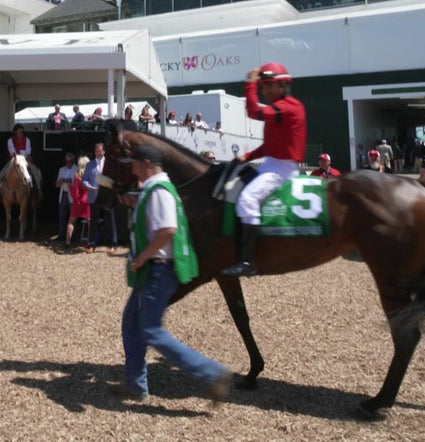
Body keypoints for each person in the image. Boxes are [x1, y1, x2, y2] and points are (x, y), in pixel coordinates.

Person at [116, 144, 231, 406]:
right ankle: (135, 385)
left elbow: (167, 229)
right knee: (131, 322)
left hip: (158, 269)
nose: (131, 168)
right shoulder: (153, 189)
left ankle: (213, 374)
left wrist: (142, 257)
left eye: (134, 163)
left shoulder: (159, 192)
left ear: (147, 163)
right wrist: (134, 201)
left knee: (151, 330)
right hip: (154, 269)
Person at [222, 63, 306, 278]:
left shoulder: (289, 107)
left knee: (247, 199)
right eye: (263, 87)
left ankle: (249, 260)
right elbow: (270, 146)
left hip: (282, 169)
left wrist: (250, 84)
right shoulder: (280, 108)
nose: (266, 91)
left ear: (283, 84)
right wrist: (247, 157)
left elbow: (253, 111)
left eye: (269, 86)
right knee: (230, 188)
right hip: (271, 163)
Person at [84, 143, 119, 254]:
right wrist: (87, 185)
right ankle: (93, 244)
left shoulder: (110, 164)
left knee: (112, 220)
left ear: (104, 152)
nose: (98, 153)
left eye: (100, 151)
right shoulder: (89, 165)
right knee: (93, 220)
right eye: (97, 151)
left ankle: (113, 244)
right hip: (94, 196)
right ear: (95, 152)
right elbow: (84, 179)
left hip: (108, 197)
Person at [0, 123, 42, 192]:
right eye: (19, 132)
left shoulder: (27, 140)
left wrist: (23, 154)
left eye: (22, 132)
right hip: (13, 161)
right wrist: (23, 154)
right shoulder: (10, 140)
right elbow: (13, 153)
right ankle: (2, 193)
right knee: (0, 175)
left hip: (25, 160)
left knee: (37, 172)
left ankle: (39, 191)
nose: (21, 134)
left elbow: (28, 152)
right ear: (15, 133)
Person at [65, 157, 92, 249]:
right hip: (87, 200)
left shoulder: (77, 176)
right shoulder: (90, 175)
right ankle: (89, 242)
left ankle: (67, 242)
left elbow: (76, 192)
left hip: (78, 201)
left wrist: (69, 186)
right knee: (89, 222)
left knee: (71, 222)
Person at [53, 152, 77, 242]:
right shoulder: (61, 170)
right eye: (67, 161)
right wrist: (59, 182)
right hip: (63, 194)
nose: (68, 163)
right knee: (62, 216)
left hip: (73, 195)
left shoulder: (76, 169)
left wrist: (71, 183)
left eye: (70, 161)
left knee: (73, 216)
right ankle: (61, 234)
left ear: (73, 161)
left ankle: (72, 235)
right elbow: (57, 184)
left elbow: (78, 184)